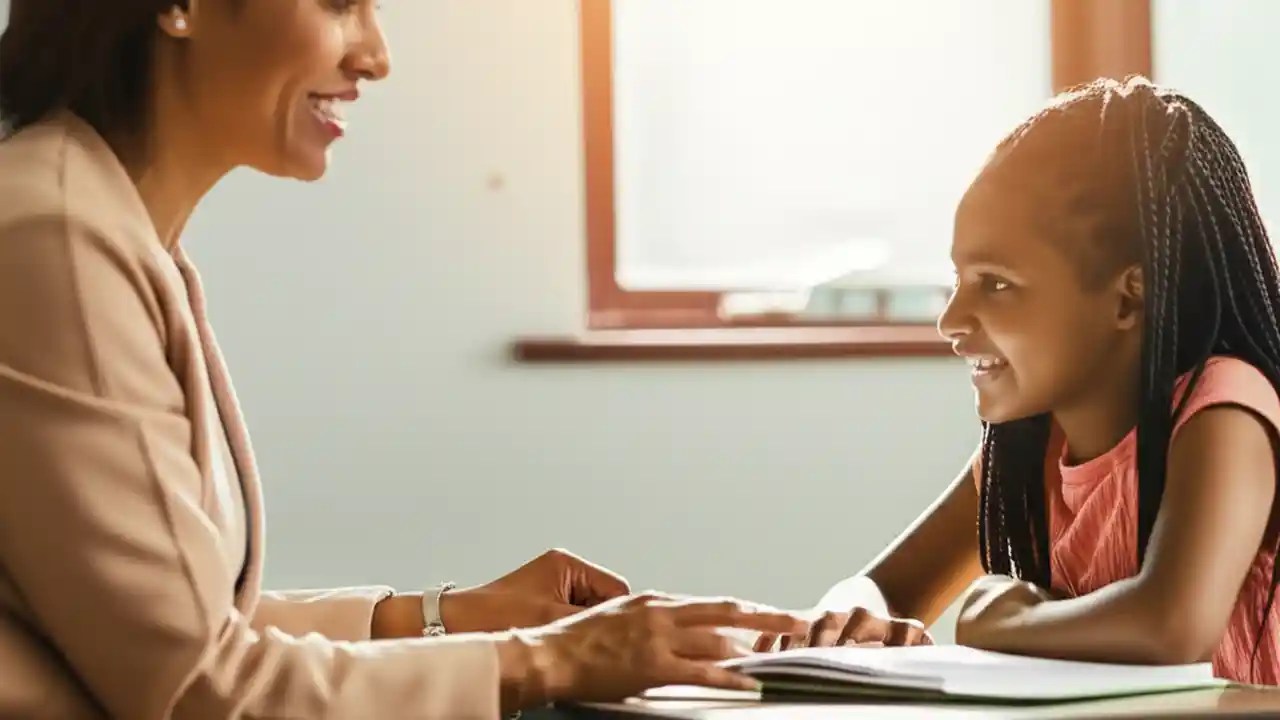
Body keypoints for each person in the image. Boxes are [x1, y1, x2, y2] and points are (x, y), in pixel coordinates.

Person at [0, 1, 809, 717]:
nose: (375, 56)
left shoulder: (93, 221)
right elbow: (200, 692)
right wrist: (558, 660)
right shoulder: (59, 237)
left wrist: (438, 616)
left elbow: (159, 629)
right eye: (341, 4)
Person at [755, 76, 1280, 684]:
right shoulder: (1027, 446)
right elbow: (885, 586)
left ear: (1127, 298)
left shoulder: (1223, 410)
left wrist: (996, 621)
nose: (950, 321)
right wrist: (851, 616)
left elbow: (1172, 627)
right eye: (957, 280)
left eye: (995, 283)